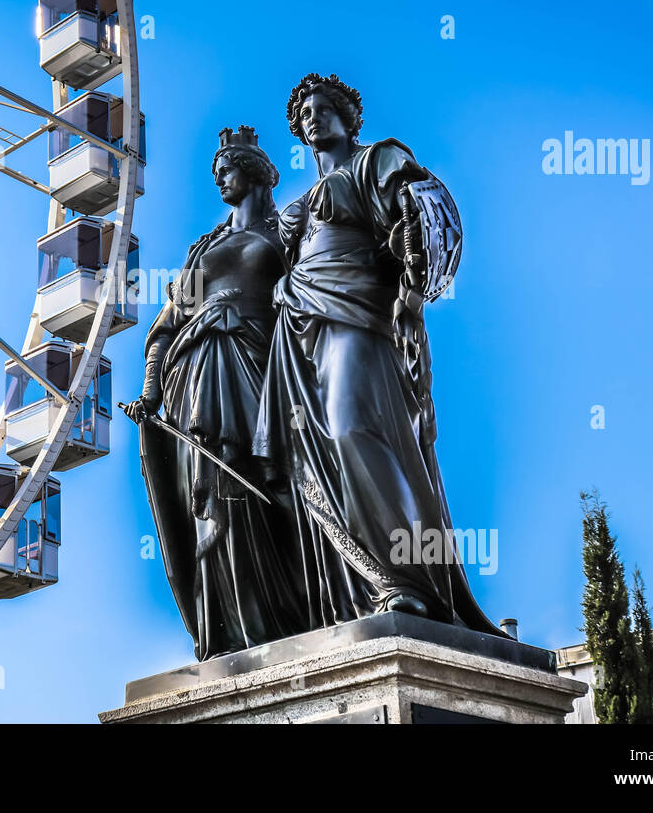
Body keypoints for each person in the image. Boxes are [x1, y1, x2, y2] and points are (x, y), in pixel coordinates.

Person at [253, 73, 503, 635]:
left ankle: (409, 579)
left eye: (324, 108)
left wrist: (412, 288)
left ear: (347, 117)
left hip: (358, 311)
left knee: (352, 429)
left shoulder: (375, 160)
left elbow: (420, 208)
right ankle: (365, 585)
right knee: (314, 459)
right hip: (300, 328)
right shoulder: (296, 206)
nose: (314, 118)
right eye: (305, 114)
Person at [127, 126, 309, 660]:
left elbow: (315, 294)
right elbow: (166, 326)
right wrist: (150, 393)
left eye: (226, 169)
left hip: (262, 365)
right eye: (215, 172)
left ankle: (287, 613)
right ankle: (228, 626)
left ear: (252, 170)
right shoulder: (203, 248)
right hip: (197, 375)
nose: (219, 179)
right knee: (213, 496)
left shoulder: (286, 233)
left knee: (266, 484)